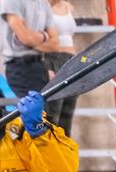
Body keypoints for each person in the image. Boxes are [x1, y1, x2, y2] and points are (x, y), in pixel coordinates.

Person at [0, 0, 59, 98]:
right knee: (30, 110)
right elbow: (25, 38)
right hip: (19, 68)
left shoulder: (43, 3)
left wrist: (31, 42)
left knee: (43, 111)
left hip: (40, 66)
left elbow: (55, 44)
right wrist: (45, 36)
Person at [44, 0, 78, 136]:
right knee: (53, 114)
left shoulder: (68, 6)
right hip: (53, 59)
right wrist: (46, 67)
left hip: (72, 60)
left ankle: (65, 154)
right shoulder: (43, 7)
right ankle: (50, 154)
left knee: (67, 114)